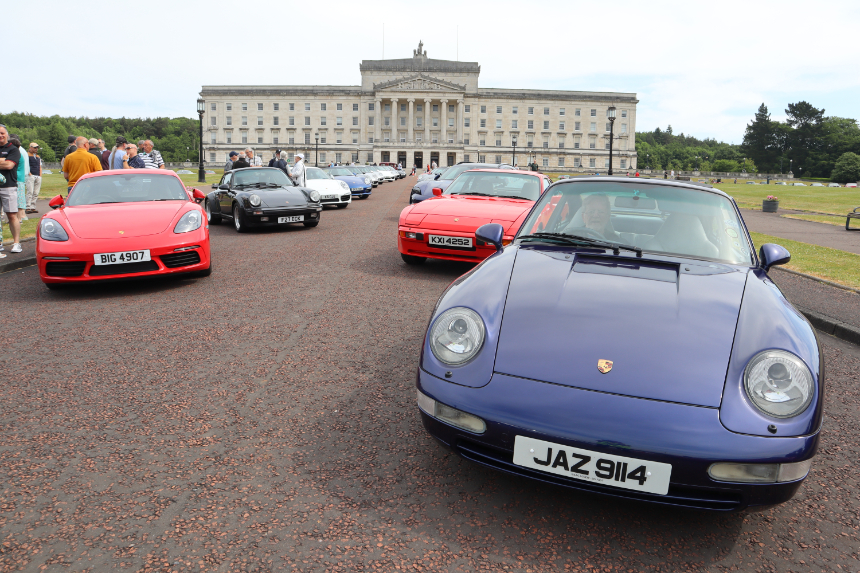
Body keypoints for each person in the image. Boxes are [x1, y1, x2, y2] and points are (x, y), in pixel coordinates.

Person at [0, 125, 23, 255]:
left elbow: (9, 165)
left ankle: (16, 243)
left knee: (12, 215)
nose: (0, 135)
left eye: (2, 133)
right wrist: (3, 160)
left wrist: (6, 161)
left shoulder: (13, 149)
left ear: (7, 135)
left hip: (8, 186)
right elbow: (5, 162)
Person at [25, 143, 42, 214]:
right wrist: (29, 174)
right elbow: (25, 165)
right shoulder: (27, 155)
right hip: (30, 175)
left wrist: (40, 175)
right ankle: (27, 206)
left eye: (37, 147)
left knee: (36, 192)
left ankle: (33, 206)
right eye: (35, 147)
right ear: (30, 147)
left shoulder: (38, 156)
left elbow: (40, 166)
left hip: (37, 175)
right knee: (30, 192)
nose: (36, 149)